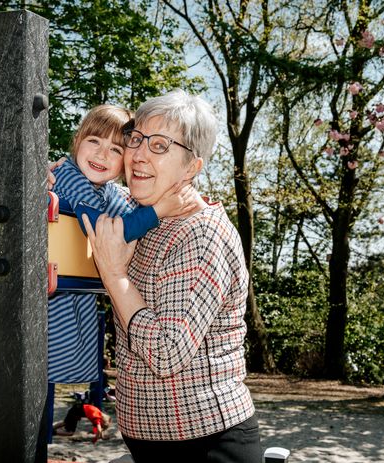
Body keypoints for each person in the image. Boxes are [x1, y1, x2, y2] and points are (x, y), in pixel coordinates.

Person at [80, 90, 261, 462]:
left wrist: (116, 278)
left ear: (192, 167)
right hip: (151, 442)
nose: (139, 154)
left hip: (205, 444)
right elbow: (87, 184)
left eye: (160, 146)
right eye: (136, 140)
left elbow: (166, 353)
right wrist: (52, 177)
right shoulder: (143, 216)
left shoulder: (201, 232)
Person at [0, 104, 193, 385]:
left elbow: (128, 211)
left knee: (34, 381)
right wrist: (159, 211)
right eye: (94, 141)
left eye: (116, 150)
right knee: (19, 372)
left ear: (126, 162)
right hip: (37, 294)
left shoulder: (109, 191)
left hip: (65, 293)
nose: (101, 154)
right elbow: (109, 229)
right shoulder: (70, 178)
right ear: (77, 142)